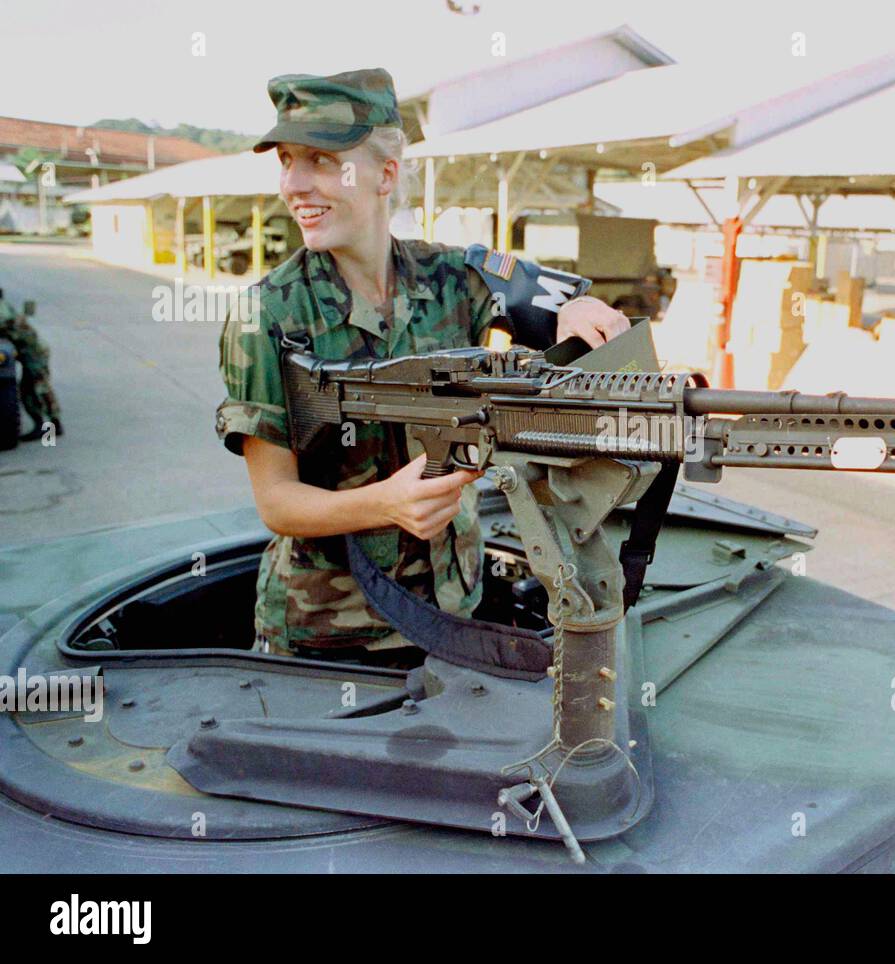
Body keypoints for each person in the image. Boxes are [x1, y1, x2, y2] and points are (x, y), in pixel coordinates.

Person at [217, 68, 628, 659]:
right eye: (285, 159)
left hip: (452, 609)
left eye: (321, 160)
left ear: (385, 174)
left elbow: (560, 305)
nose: (294, 184)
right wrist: (383, 503)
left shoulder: (457, 277)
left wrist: (581, 309)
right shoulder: (267, 316)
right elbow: (277, 502)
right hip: (327, 634)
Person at [0, 290, 63, 441]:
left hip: (33, 353)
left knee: (37, 389)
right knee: (31, 389)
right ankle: (48, 425)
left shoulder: (1, 309)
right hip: (32, 351)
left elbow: (4, 322)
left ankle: (50, 427)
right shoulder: (4, 305)